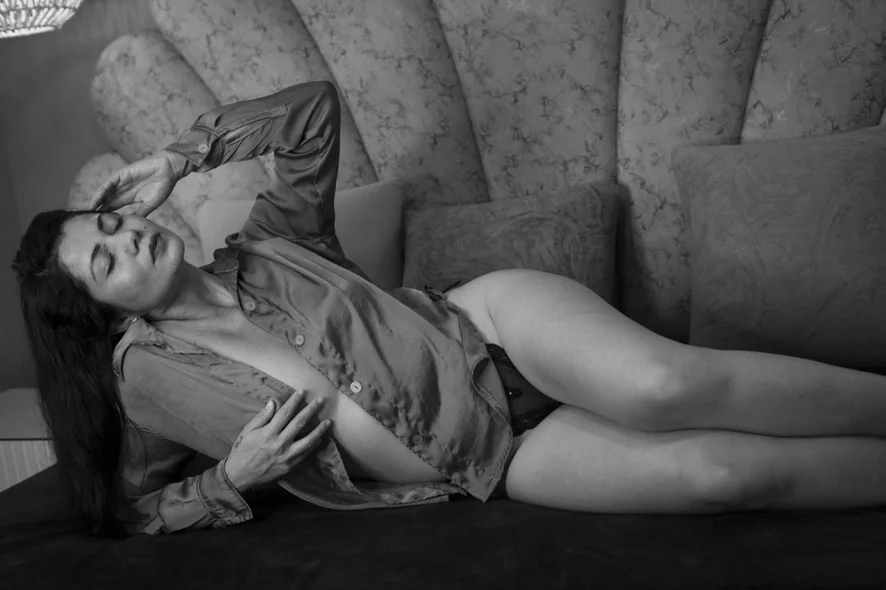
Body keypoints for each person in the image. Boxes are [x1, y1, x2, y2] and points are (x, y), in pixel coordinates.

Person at [13, 81, 886, 539]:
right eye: (106, 259)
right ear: (102, 313)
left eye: (115, 222)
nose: (131, 239)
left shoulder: (271, 239)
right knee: (723, 480)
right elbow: (124, 509)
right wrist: (229, 480)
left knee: (667, 386)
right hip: (492, 459)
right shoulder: (147, 385)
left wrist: (181, 157)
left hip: (496, 331)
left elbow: (311, 112)